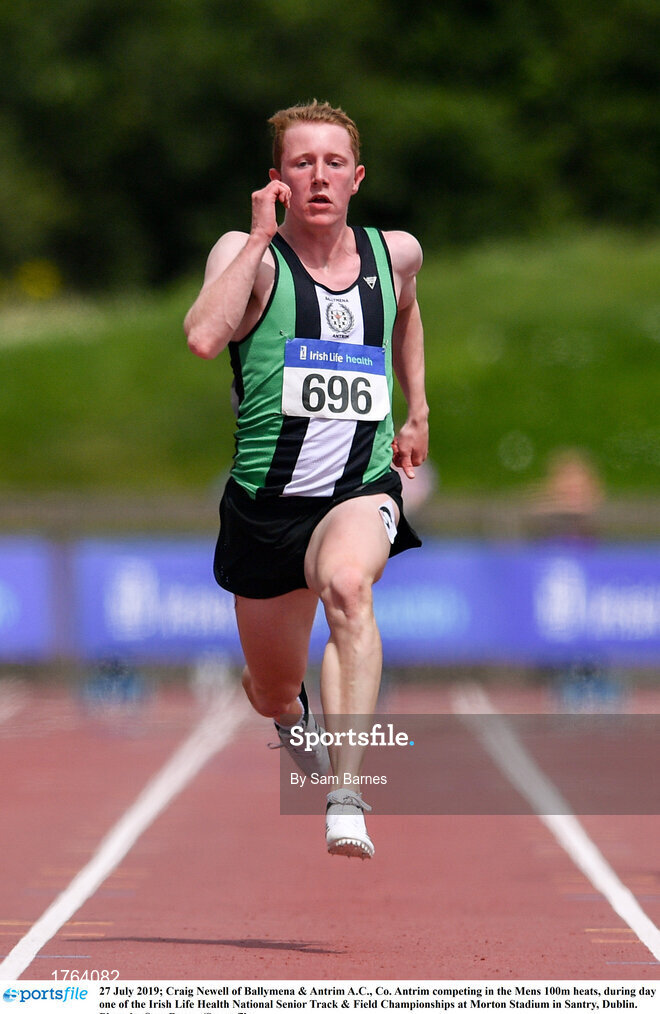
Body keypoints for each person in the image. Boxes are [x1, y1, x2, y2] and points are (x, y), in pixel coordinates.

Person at [184, 100, 429, 859]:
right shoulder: (247, 251)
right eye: (301, 163)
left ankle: (345, 795)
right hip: (265, 508)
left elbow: (408, 315)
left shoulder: (397, 254)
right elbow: (202, 336)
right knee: (272, 691)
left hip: (358, 489)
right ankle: (293, 722)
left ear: (355, 179)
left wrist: (417, 406)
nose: (317, 177)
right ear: (278, 180)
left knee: (350, 588)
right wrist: (258, 236)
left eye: (332, 164)